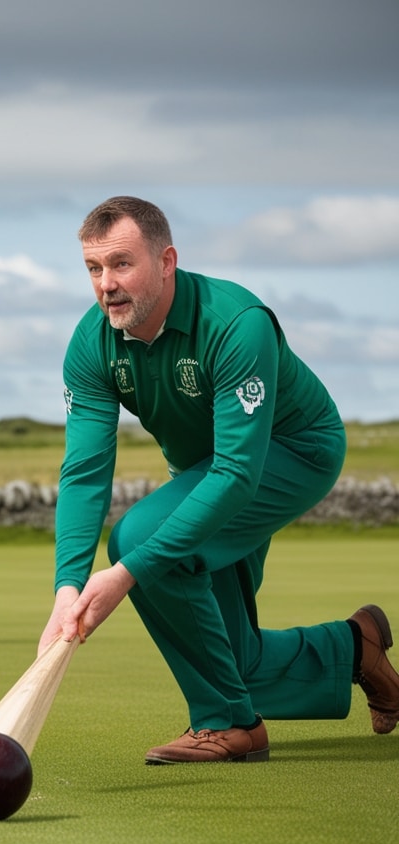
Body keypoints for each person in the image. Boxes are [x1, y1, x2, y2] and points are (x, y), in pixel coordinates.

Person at [39, 196, 399, 763]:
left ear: (166, 261)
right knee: (235, 659)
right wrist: (67, 588)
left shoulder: (237, 323)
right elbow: (85, 472)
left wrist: (125, 575)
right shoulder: (92, 343)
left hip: (290, 455)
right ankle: (355, 648)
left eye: (121, 264)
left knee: (138, 541)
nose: (106, 283)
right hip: (208, 473)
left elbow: (236, 472)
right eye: (93, 268)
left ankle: (228, 723)